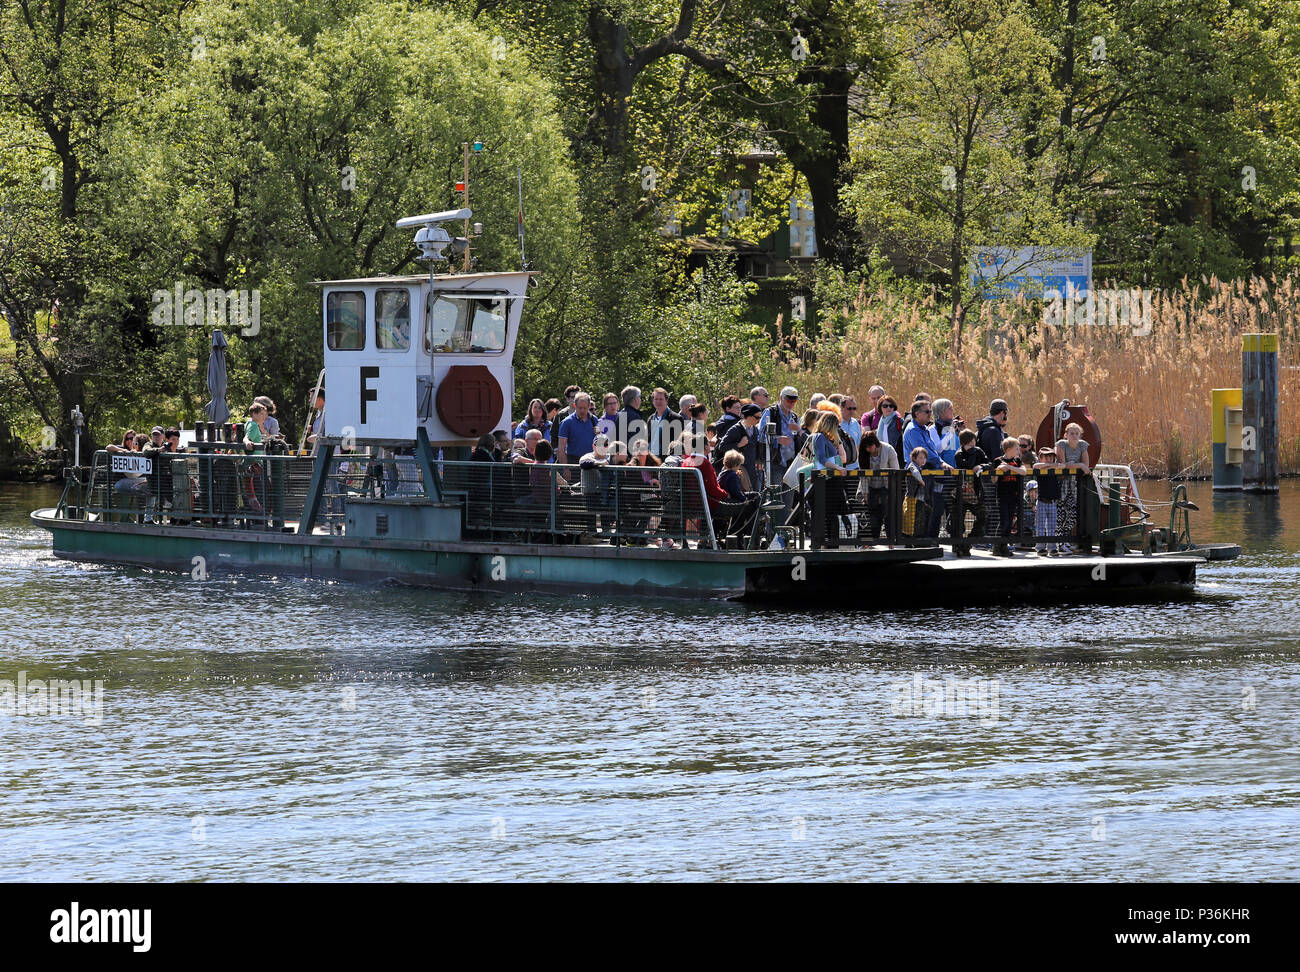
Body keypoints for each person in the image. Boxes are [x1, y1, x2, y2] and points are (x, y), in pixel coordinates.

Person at [952, 428, 991, 556]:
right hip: (961, 494)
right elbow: (968, 465)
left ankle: (969, 541)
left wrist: (982, 466)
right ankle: (958, 545)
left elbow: (989, 464)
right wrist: (972, 452)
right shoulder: (959, 454)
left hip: (976, 493)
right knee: (957, 521)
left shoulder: (979, 451)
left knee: (983, 517)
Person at [856, 430, 898, 542]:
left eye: (870, 446)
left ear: (876, 442)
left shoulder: (889, 450)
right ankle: (874, 540)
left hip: (886, 486)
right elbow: (863, 474)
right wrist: (865, 493)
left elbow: (896, 471)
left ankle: (891, 539)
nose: (869, 449)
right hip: (871, 487)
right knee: (873, 515)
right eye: (866, 447)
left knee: (889, 513)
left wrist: (891, 491)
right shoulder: (864, 454)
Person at [1056, 422, 1091, 554]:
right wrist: (1079, 465)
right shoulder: (1061, 445)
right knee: (1060, 513)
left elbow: (1086, 467)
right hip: (1060, 484)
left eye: (1077, 433)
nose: (1075, 436)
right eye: (1071, 433)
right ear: (1066, 435)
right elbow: (1063, 464)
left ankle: (1065, 539)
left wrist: (1078, 465)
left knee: (1072, 514)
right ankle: (1059, 542)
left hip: (1073, 485)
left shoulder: (1082, 445)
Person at [993, 437, 1029, 556]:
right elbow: (993, 480)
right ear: (1008, 449)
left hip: (1014, 495)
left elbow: (1023, 471)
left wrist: (1009, 467)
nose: (1019, 450)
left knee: (1010, 520)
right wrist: (998, 470)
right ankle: (999, 546)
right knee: (1004, 521)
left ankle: (1004, 545)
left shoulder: (1017, 460)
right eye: (1016, 448)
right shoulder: (998, 460)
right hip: (1002, 495)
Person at [557, 392, 598, 471]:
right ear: (575, 406)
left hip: (592, 462)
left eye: (585, 408)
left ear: (589, 406)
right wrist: (565, 469)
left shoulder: (595, 420)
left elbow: (601, 443)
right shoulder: (566, 422)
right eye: (580, 408)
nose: (582, 411)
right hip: (573, 463)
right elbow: (561, 448)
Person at [1033, 446, 1062, 555]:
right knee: (1040, 526)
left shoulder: (1054, 468)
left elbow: (1063, 465)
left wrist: (1053, 465)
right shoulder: (1039, 467)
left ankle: (1052, 547)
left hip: (1053, 502)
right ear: (1040, 458)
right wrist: (1052, 465)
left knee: (1052, 526)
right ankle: (1040, 547)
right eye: (1046, 457)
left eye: (1051, 457)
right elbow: (1035, 465)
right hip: (1041, 501)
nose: (1049, 460)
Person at [645, 388, 684, 459]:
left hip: (667, 460)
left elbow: (679, 442)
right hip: (652, 461)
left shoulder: (676, 418)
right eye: (656, 399)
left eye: (661, 399)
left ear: (666, 400)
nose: (658, 402)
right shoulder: (651, 419)